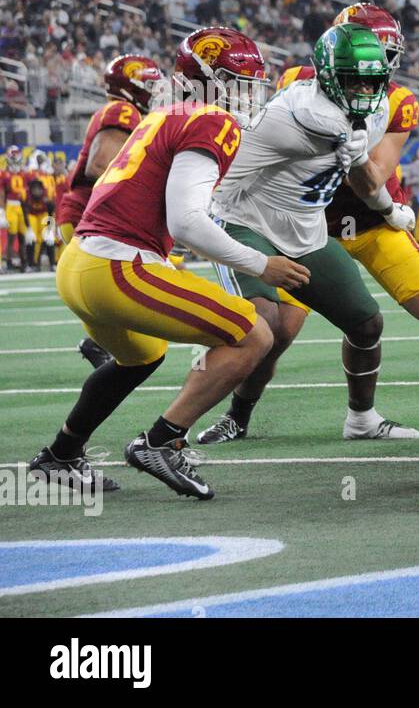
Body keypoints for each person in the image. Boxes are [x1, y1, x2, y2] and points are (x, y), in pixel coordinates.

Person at [27, 27, 308, 499]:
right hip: (117, 266)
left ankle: (61, 455)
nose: (248, 94)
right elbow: (186, 222)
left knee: (141, 356)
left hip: (79, 265)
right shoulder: (210, 121)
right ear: (209, 82)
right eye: (239, 82)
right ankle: (161, 441)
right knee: (254, 333)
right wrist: (263, 265)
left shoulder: (165, 114)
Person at [209, 23, 416, 441]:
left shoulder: (373, 112)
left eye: (371, 80)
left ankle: (361, 419)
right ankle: (211, 422)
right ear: (324, 76)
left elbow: (365, 178)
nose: (362, 89)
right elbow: (322, 132)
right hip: (245, 222)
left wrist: (389, 211)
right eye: (352, 79)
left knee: (366, 323)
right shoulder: (301, 114)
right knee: (262, 326)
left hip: (305, 231)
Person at [56, 54, 165, 366]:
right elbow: (100, 164)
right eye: (149, 84)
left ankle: (100, 346)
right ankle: (100, 346)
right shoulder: (123, 109)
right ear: (130, 86)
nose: (154, 91)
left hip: (85, 214)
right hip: (86, 216)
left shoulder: (121, 109)